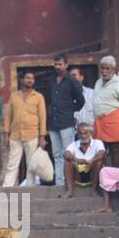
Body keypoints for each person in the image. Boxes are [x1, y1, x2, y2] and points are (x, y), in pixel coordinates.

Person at [46, 54, 86, 188]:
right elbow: (48, 100)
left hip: (66, 123)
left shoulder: (72, 81)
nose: (57, 67)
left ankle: (70, 183)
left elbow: (81, 101)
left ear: (66, 65)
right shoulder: (51, 80)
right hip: (53, 123)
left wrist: (70, 111)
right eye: (55, 64)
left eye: (60, 64)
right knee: (57, 154)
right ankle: (59, 183)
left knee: (68, 154)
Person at [1, 70, 46, 188]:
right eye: (27, 78)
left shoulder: (38, 97)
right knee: (12, 163)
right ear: (22, 80)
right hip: (15, 135)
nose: (30, 80)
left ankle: (31, 188)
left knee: (31, 163)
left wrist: (42, 137)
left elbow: (42, 117)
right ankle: (7, 187)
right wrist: (6, 134)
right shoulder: (14, 96)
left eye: (32, 78)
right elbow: (8, 116)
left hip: (32, 134)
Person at [91, 56, 119, 166]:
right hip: (99, 121)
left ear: (113, 70)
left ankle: (116, 177)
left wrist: (114, 114)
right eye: (103, 68)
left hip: (113, 120)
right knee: (101, 150)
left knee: (114, 150)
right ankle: (104, 178)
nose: (104, 71)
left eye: (107, 68)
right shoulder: (98, 82)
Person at [61, 120, 107, 199]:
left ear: (91, 133)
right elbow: (66, 154)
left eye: (86, 133)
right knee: (67, 162)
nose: (83, 136)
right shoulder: (74, 144)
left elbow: (102, 153)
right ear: (77, 134)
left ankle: (94, 190)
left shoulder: (97, 142)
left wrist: (92, 160)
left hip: (92, 175)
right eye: (81, 133)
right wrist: (77, 160)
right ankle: (69, 191)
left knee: (99, 162)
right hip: (78, 176)